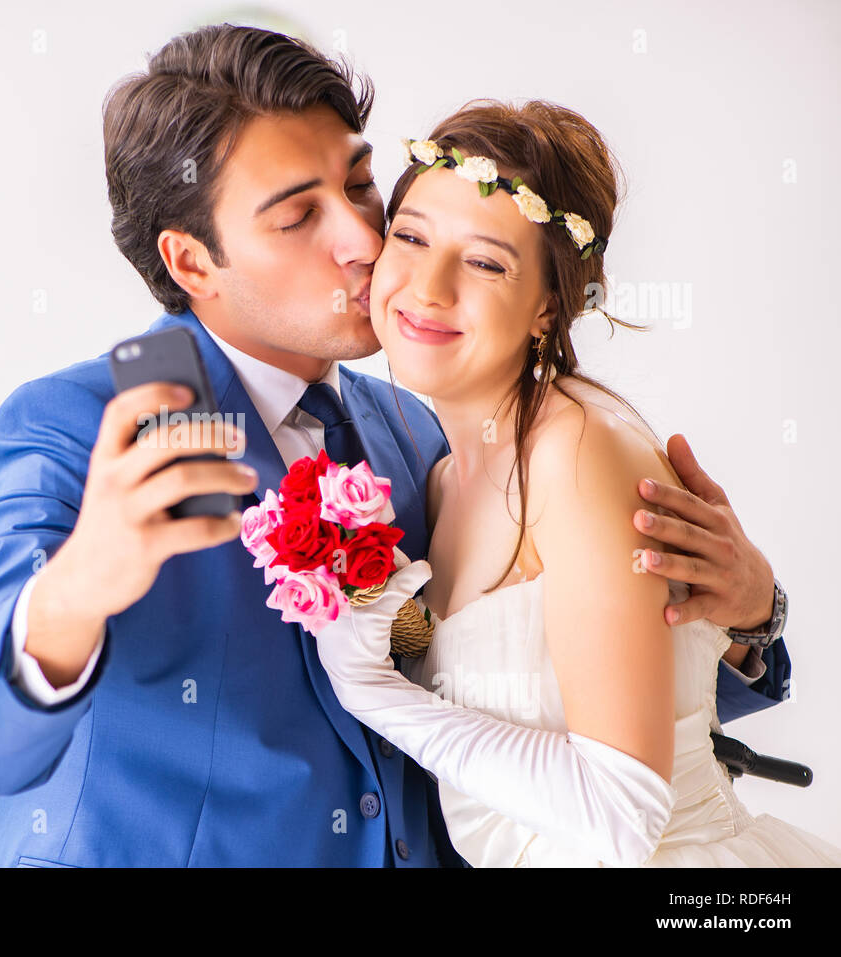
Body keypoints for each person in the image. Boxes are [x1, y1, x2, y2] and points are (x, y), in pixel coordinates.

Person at [0, 25, 792, 867]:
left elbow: (571, 697)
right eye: (298, 215)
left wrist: (750, 620)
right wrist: (74, 593)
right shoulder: (75, 426)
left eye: (362, 185)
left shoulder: (424, 432)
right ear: (192, 264)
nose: (364, 241)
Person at [315, 98, 839, 866]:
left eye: (487, 261)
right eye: (411, 237)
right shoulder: (436, 473)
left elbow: (619, 810)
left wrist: (374, 692)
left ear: (550, 305)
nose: (428, 287)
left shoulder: (579, 451)